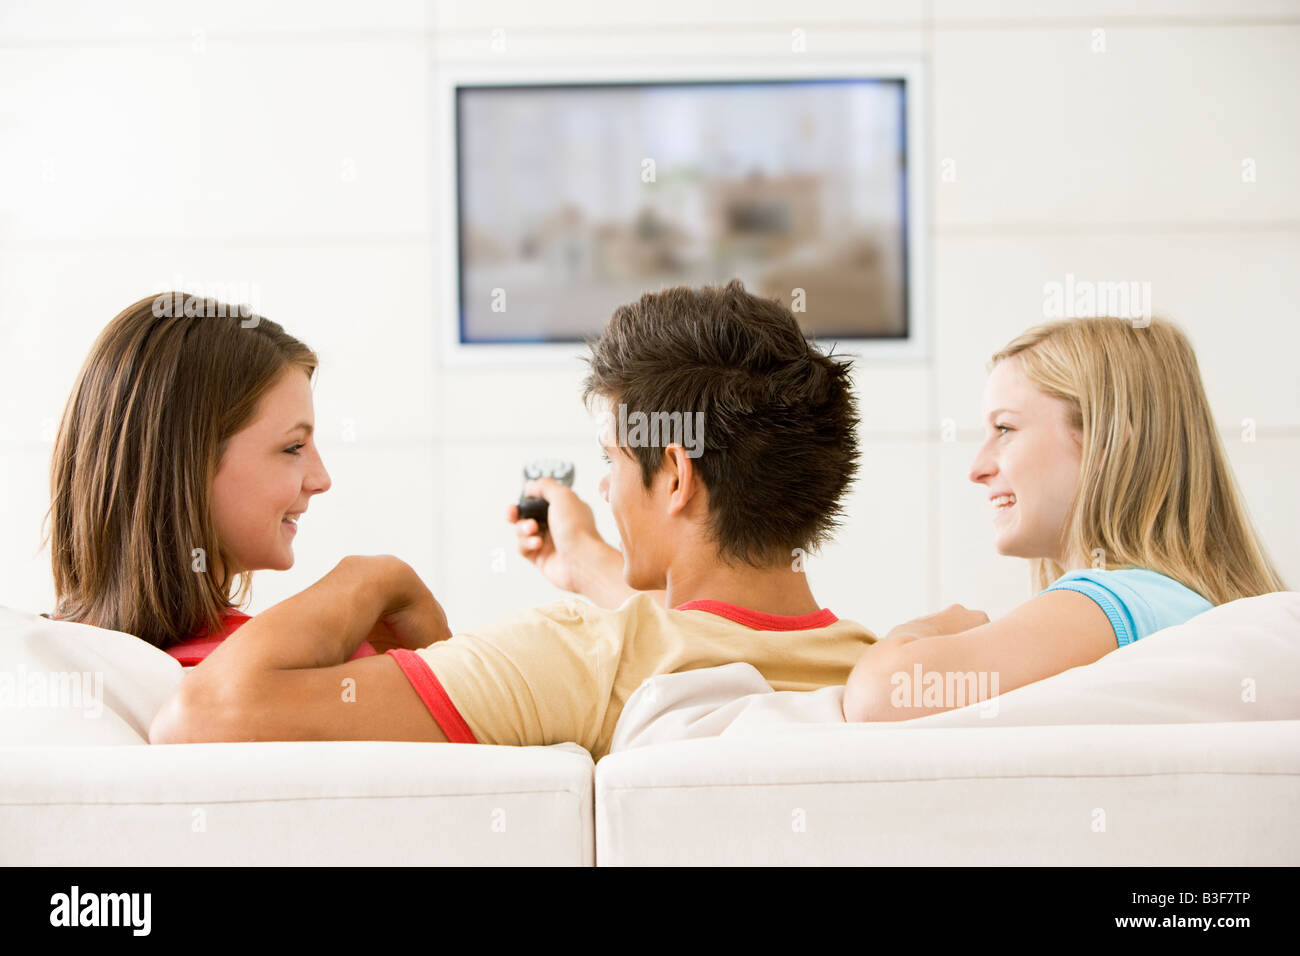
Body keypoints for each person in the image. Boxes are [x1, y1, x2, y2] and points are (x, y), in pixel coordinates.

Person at [148, 281, 878, 757]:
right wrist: (591, 559)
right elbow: (714, 640)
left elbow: (204, 715)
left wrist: (375, 579)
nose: (606, 485)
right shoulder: (876, 673)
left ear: (678, 475)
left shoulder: (574, 658)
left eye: (614, 460)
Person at [512, 315, 1287, 725]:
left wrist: (931, 628)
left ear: (1113, 438)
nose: (979, 464)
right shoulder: (1179, 610)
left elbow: (885, 694)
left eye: (1006, 430)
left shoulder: (1122, 603)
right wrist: (586, 558)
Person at [46, 292, 373, 665]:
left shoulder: (39, 664)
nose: (321, 479)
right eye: (293, 447)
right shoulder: (299, 672)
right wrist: (380, 584)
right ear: (190, 464)